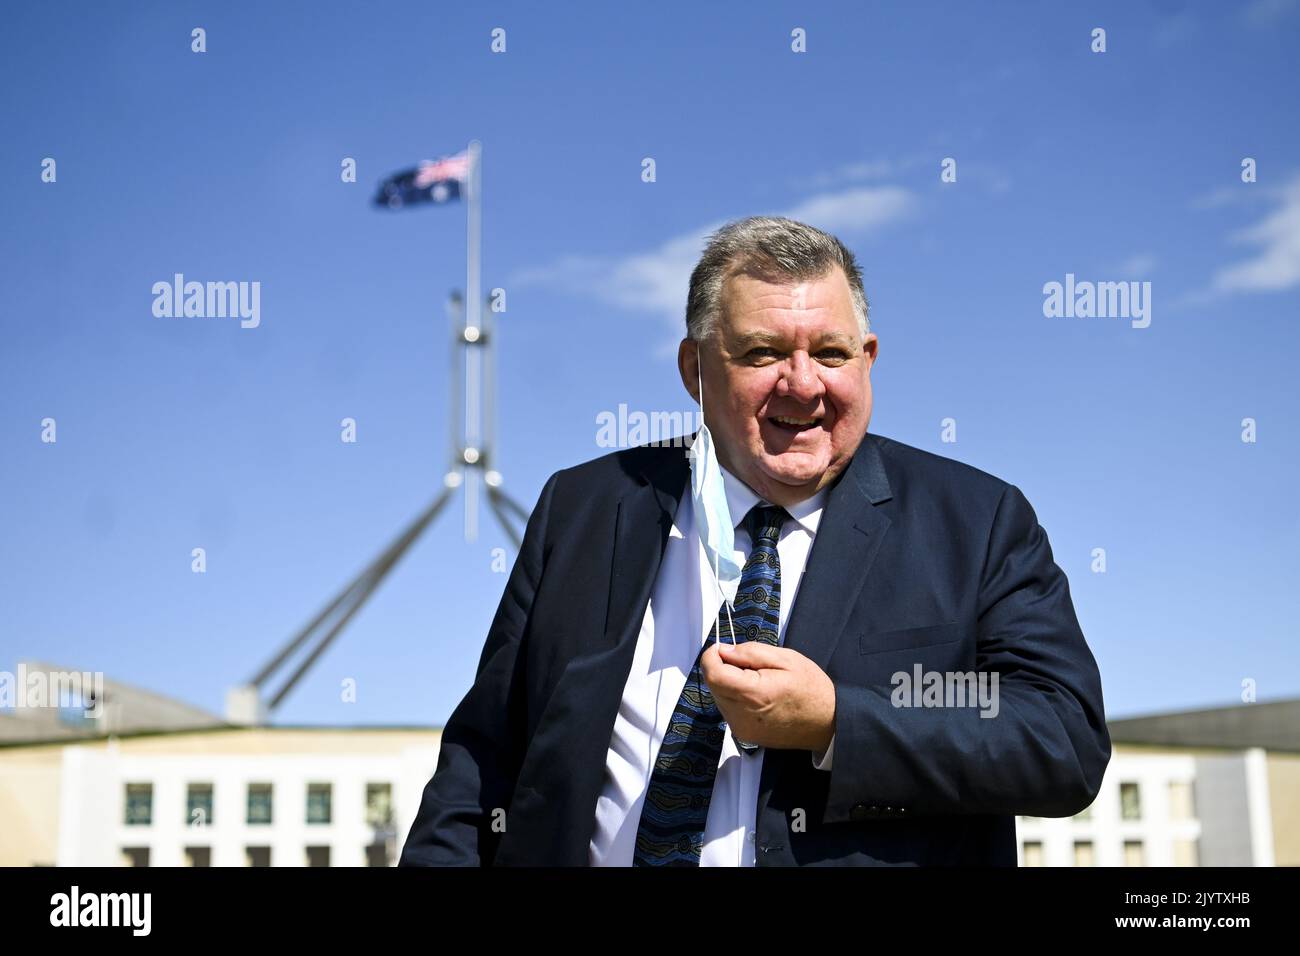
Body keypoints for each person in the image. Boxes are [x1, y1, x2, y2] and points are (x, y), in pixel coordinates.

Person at [399, 216, 1110, 866]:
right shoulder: (583, 509)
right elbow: (481, 764)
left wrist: (838, 721)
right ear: (694, 369)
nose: (802, 385)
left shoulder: (976, 521)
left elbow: (1064, 739)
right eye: (764, 352)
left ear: (867, 359)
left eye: (831, 353)